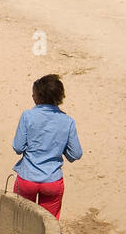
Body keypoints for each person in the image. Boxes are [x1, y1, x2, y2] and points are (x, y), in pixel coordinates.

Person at [12, 74, 82, 220]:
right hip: (53, 180)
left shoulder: (28, 116)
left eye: (34, 94)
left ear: (39, 96)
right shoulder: (67, 121)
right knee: (48, 224)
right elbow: (76, 154)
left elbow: (18, 147)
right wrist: (60, 150)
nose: (32, 96)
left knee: (20, 218)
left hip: (27, 178)